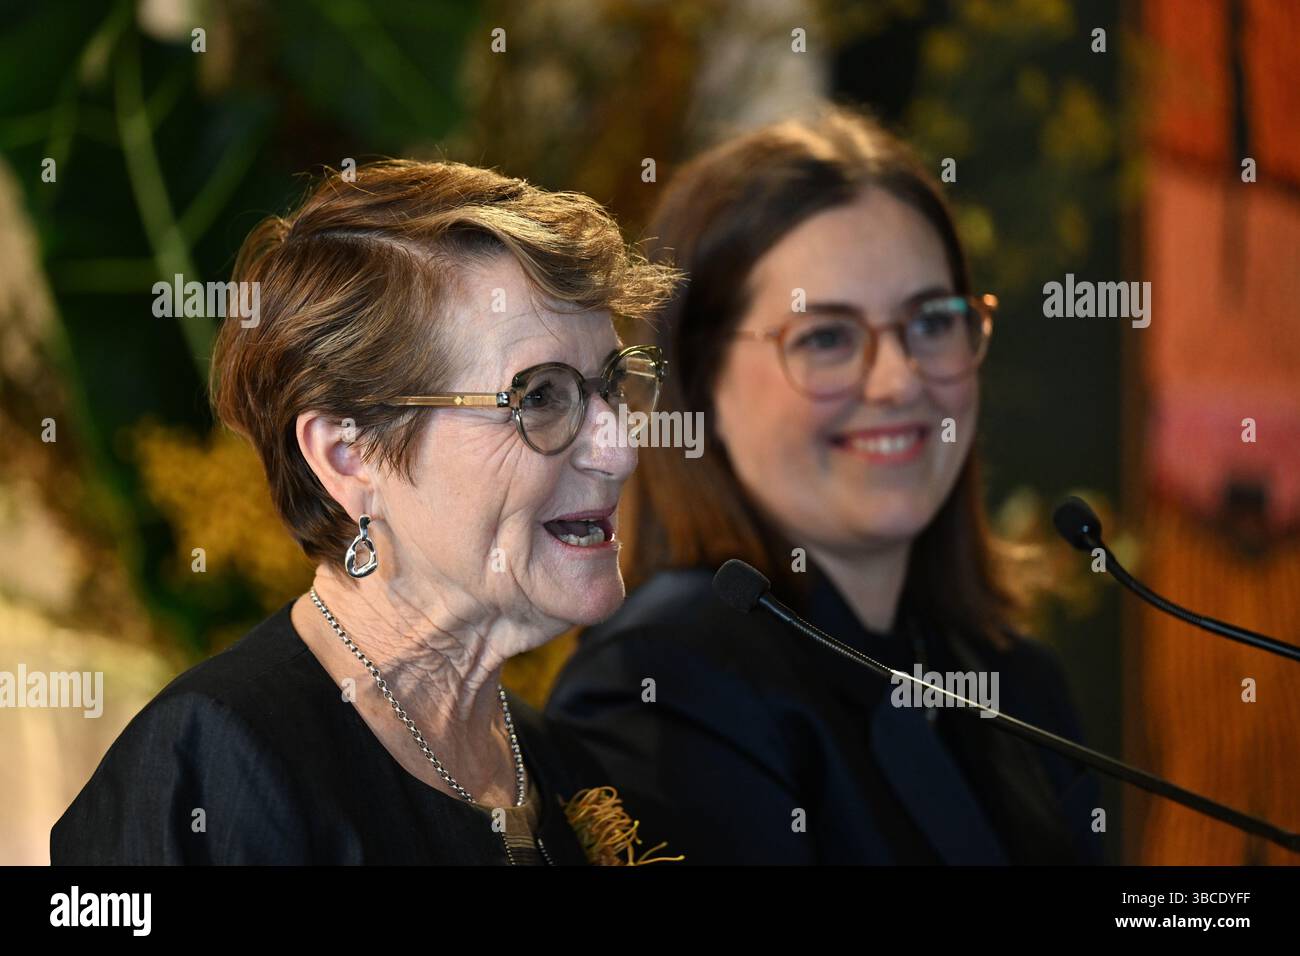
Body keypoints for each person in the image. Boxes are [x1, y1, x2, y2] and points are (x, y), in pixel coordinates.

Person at [51, 159, 678, 865]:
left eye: (613, 386)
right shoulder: (215, 763)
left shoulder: (554, 764)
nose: (620, 449)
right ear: (349, 457)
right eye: (539, 397)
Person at [546, 106, 1103, 864]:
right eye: (828, 337)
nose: (900, 380)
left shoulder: (1014, 679)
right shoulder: (660, 686)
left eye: (932, 322)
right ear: (702, 380)